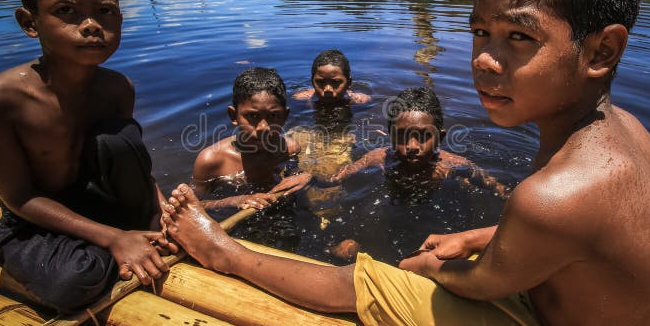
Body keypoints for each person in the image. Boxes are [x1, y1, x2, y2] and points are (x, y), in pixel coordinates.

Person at [160, 0, 650, 326]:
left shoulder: (553, 194)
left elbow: (480, 282)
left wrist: (430, 268)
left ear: (602, 50)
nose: (484, 58)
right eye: (480, 31)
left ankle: (221, 253)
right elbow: (584, 237)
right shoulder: (627, 133)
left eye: (519, 36)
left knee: (368, 280)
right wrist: (474, 236)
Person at [0, 0, 175, 314]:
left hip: (98, 202)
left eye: (105, 12)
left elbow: (130, 163)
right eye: (66, 12)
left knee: (119, 140)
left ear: (121, 20)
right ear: (30, 23)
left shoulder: (117, 87)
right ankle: (101, 245)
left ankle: (135, 233)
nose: (92, 25)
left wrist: (163, 211)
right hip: (35, 218)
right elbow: (19, 198)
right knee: (77, 278)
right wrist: (113, 238)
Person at [332, 87, 507, 198]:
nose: (412, 147)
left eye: (423, 136)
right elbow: (338, 178)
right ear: (390, 136)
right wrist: (312, 178)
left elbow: (495, 186)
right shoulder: (377, 158)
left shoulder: (454, 164)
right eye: (401, 136)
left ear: (441, 137)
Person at [192, 67, 309, 213]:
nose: (263, 127)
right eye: (252, 117)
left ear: (285, 116)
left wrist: (306, 177)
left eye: (273, 116)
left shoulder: (290, 148)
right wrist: (233, 201)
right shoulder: (212, 160)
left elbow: (295, 175)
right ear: (233, 116)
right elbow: (193, 206)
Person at [293, 49, 371, 105]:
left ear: (349, 83)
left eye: (336, 82)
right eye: (320, 82)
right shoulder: (301, 98)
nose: (328, 89)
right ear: (312, 82)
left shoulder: (360, 100)